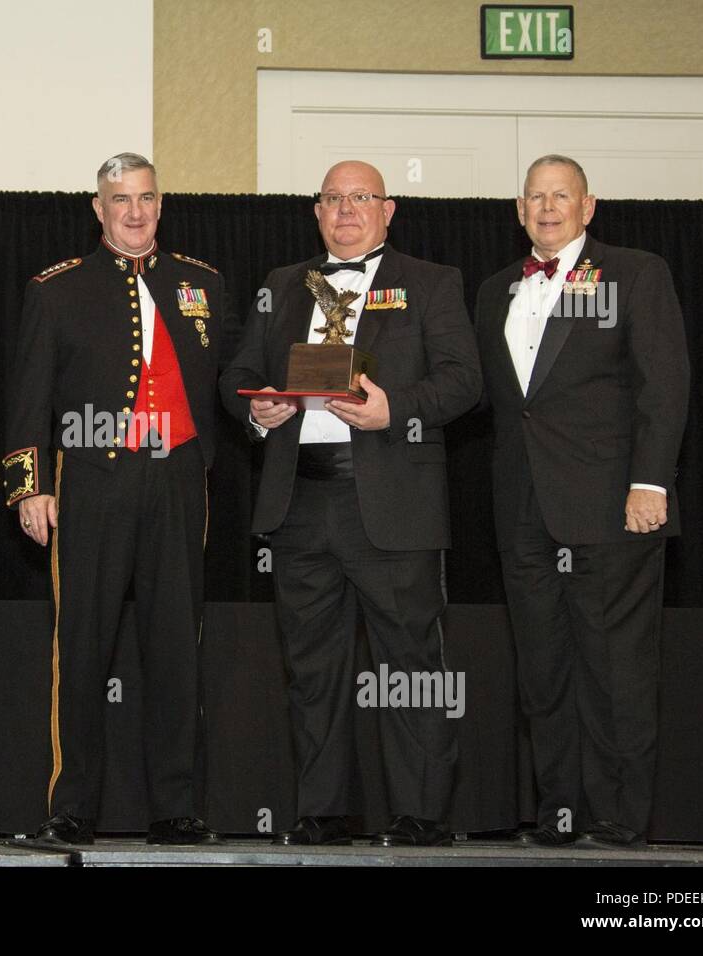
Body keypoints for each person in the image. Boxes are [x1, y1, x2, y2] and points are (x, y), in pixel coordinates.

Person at [220, 161, 481, 847]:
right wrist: (260, 412)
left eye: (360, 197)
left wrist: (397, 409)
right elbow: (239, 374)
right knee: (312, 670)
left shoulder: (431, 282)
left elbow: (464, 381)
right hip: (299, 502)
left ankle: (421, 814)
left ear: (388, 209)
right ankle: (322, 812)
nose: (345, 210)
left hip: (392, 504)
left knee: (412, 669)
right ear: (315, 211)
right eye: (332, 199)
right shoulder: (281, 285)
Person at [2, 152, 234, 846]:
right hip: (92, 484)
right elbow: (28, 399)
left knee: (175, 647)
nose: (135, 212)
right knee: (82, 646)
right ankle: (72, 806)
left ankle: (175, 806)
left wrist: (265, 411)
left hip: (176, 482)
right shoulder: (57, 289)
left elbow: (233, 381)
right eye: (120, 200)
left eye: (147, 198)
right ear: (98, 209)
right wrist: (29, 485)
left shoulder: (204, 285)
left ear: (161, 205)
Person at [474, 155, 690, 849]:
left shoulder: (634, 272)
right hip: (524, 509)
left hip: (611, 505)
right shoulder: (495, 289)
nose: (546, 207)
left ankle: (619, 821)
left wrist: (650, 483)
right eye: (535, 197)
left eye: (560, 195)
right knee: (544, 668)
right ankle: (557, 817)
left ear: (588, 206)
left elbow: (665, 385)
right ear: (518, 209)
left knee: (615, 670)